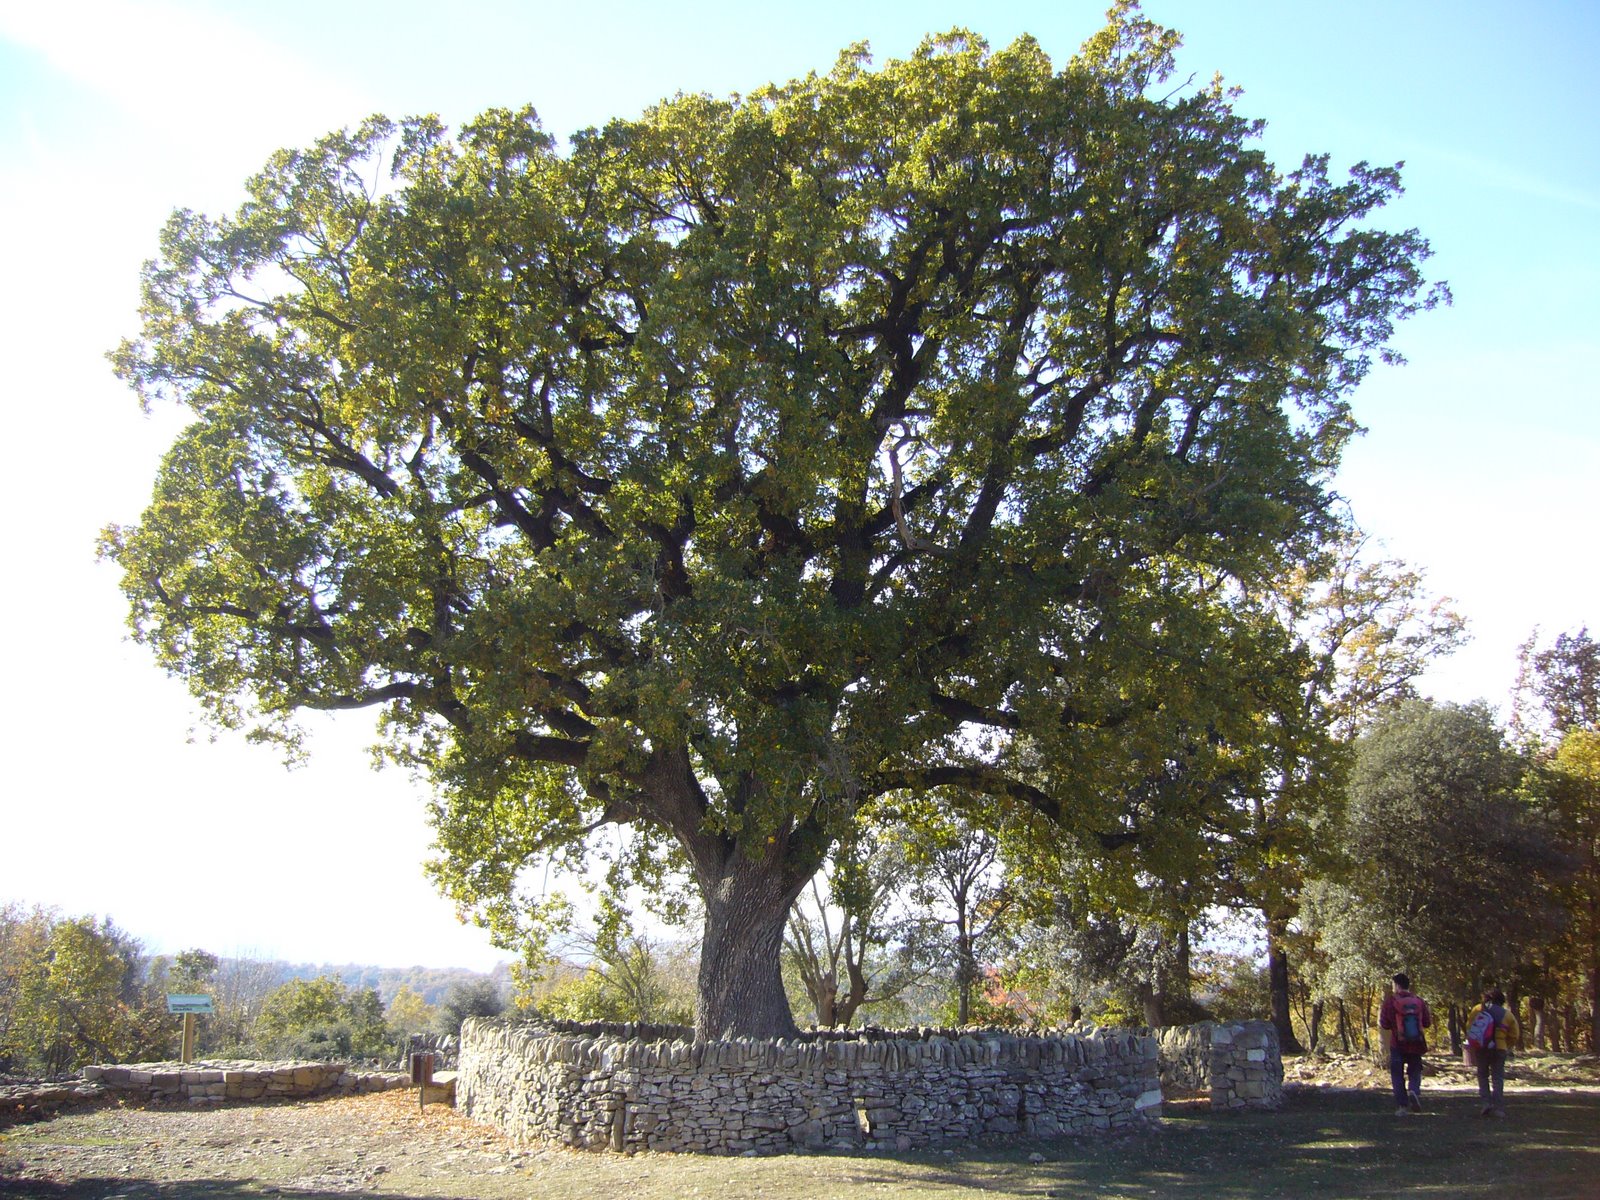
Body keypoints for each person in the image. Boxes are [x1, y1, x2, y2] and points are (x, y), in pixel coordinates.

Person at [1379, 972, 1432, 1115]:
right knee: (1415, 1071)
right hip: (1416, 1043)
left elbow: (1384, 1024)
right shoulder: (1419, 1001)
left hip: (1398, 1043)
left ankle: (1402, 1106)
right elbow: (1427, 1023)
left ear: (1396, 985)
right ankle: (1414, 1091)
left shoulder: (1391, 1002)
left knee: (1397, 1074)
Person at [1465, 988, 1521, 1118]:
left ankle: (1486, 1103)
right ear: (1502, 1000)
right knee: (1497, 1078)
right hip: (1499, 1048)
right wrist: (1506, 1044)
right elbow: (1514, 1034)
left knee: (1482, 1075)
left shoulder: (1477, 1009)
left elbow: (1470, 1027)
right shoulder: (1507, 1014)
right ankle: (1499, 1108)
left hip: (1481, 1047)